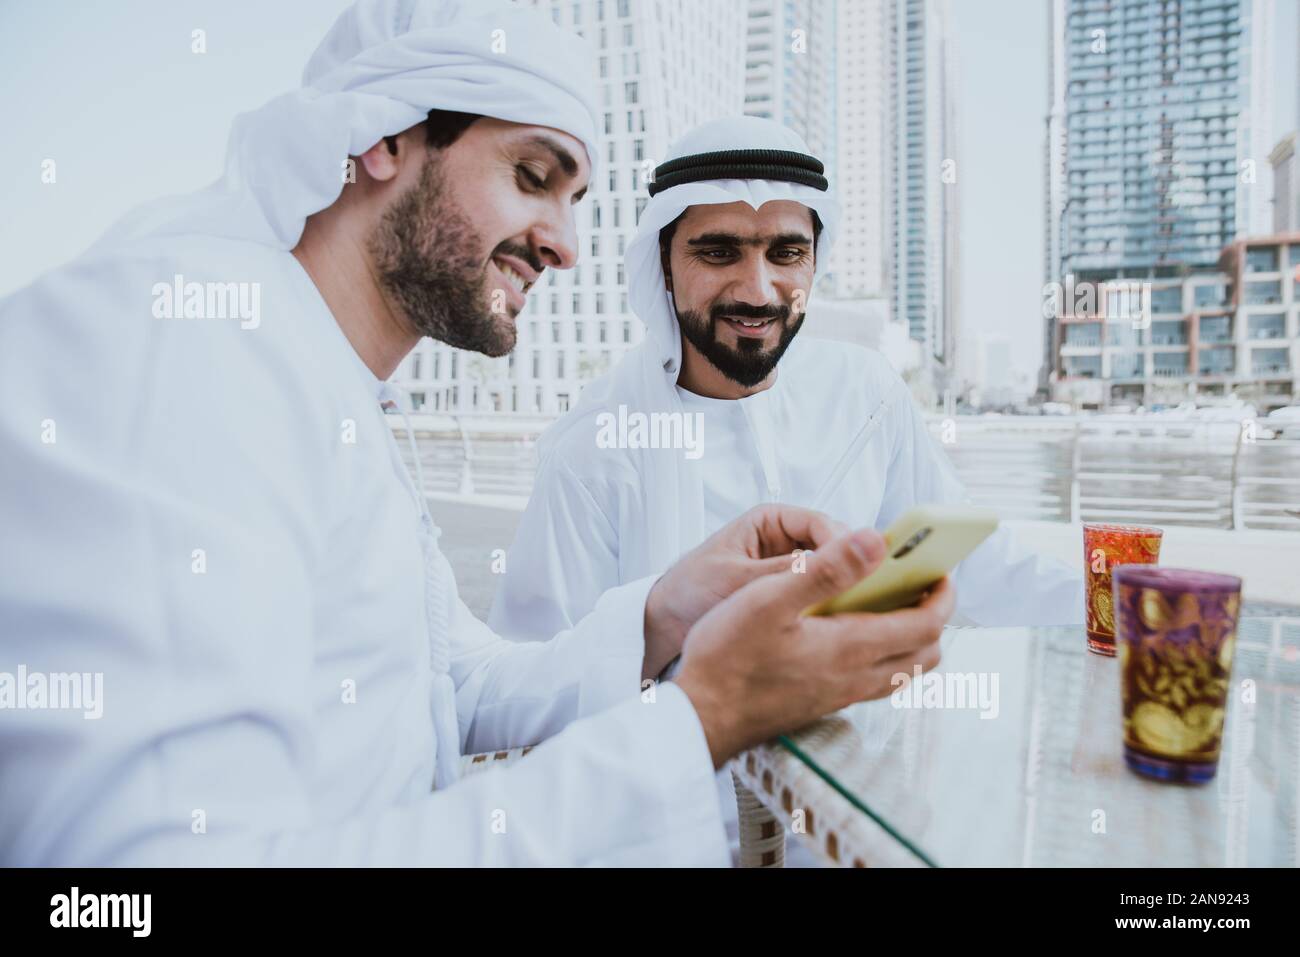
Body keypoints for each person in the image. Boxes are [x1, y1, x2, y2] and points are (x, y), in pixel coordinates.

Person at [0, 0, 953, 867]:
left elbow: (452, 680)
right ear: (381, 139)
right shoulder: (190, 339)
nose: (564, 243)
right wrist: (706, 715)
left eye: (575, 202)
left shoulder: (334, 391)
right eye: (534, 176)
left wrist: (666, 606)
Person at [491, 116, 1084, 644]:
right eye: (718, 253)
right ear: (664, 268)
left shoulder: (867, 394)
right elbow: (538, 677)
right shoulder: (593, 452)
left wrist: (1128, 605)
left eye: (786, 253)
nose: (757, 290)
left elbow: (959, 560)